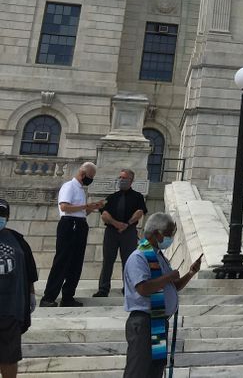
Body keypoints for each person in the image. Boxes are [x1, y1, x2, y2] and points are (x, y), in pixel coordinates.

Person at [123, 212, 203, 377]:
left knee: (155, 370)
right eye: (168, 234)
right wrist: (168, 277)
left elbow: (173, 286)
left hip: (158, 321)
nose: (170, 238)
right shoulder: (139, 257)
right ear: (157, 233)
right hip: (144, 322)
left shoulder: (159, 257)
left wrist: (190, 273)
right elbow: (143, 288)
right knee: (139, 369)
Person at [40, 161, 103, 308]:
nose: (91, 180)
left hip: (80, 224)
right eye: (90, 176)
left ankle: (68, 296)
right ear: (83, 174)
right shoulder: (69, 186)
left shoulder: (81, 189)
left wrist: (92, 207)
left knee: (76, 263)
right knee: (62, 261)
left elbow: (81, 212)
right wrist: (85, 206)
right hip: (69, 224)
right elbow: (65, 207)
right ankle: (48, 297)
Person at [94, 168, 148, 297]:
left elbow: (140, 212)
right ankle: (103, 289)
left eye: (124, 178)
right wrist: (116, 224)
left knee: (129, 261)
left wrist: (127, 224)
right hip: (111, 232)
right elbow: (104, 214)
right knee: (108, 260)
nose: (121, 180)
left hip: (129, 232)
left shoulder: (137, 197)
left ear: (131, 180)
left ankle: (128, 288)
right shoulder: (112, 197)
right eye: (120, 178)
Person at [0, 198, 38, 378]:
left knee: (9, 356)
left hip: (10, 308)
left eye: (2, 214)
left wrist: (31, 294)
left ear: (8, 216)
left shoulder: (17, 240)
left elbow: (29, 271)